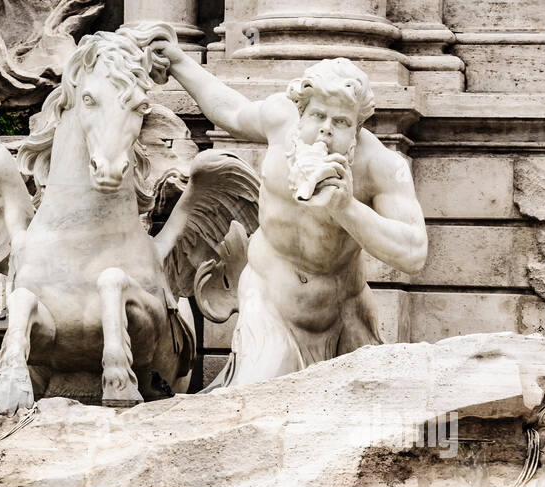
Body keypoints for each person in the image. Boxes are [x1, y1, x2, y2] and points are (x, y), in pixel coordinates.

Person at [149, 41, 428, 387]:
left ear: (357, 127)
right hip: (270, 303)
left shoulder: (381, 166)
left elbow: (414, 253)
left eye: (340, 121)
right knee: (259, 401)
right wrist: (177, 61)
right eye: (317, 115)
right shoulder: (281, 120)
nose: (326, 128)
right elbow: (230, 110)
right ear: (301, 112)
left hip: (345, 313)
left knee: (368, 418)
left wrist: (347, 207)